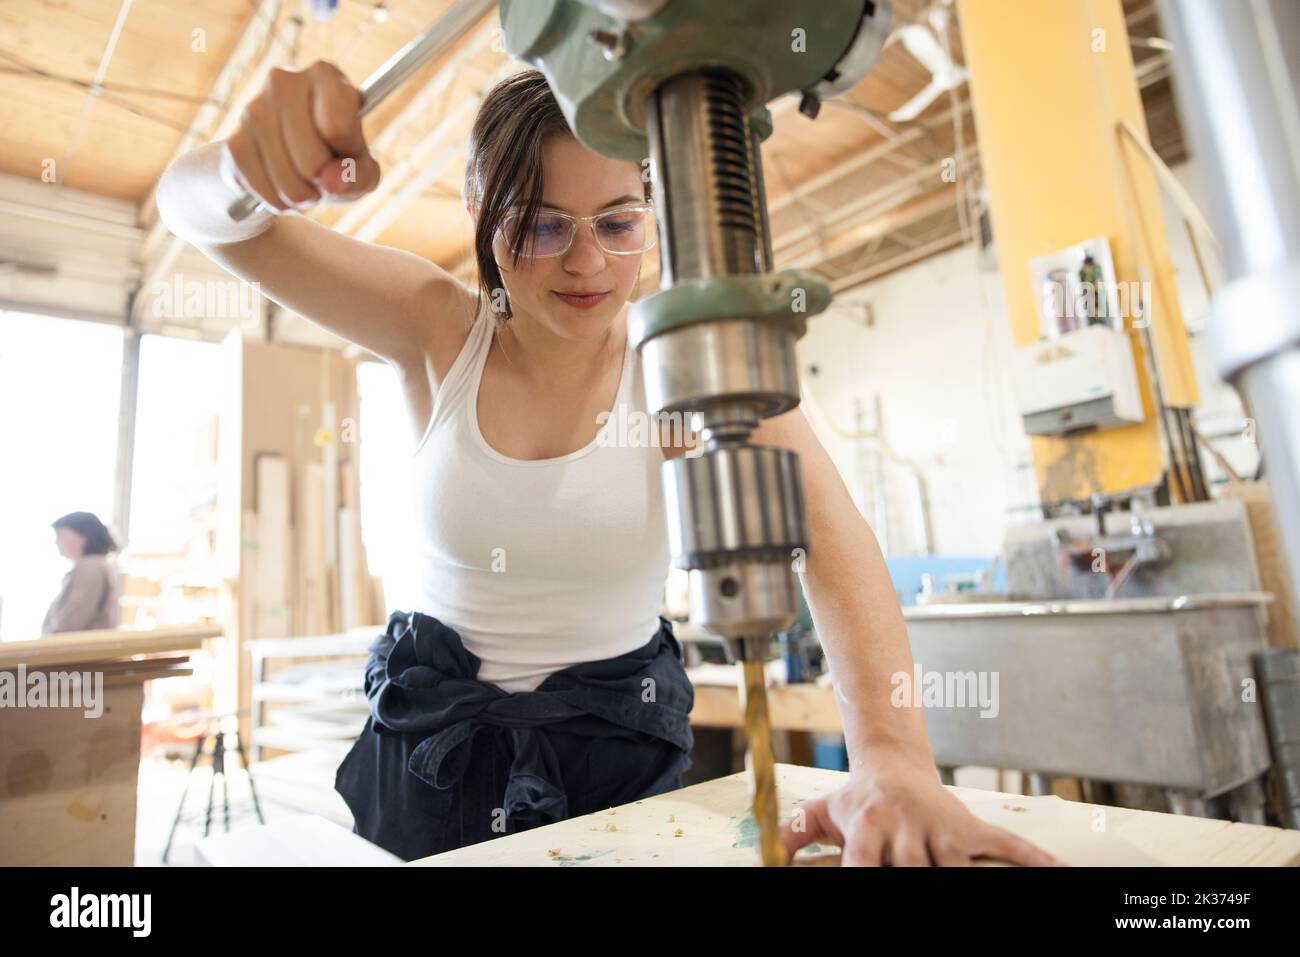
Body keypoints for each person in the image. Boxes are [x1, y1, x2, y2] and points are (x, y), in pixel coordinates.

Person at [154, 63, 1062, 867]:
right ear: (480, 212)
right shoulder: (438, 329)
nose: (587, 262)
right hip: (428, 751)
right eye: (542, 227)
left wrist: (893, 759)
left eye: (617, 223)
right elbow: (198, 216)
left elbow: (832, 538)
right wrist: (242, 165)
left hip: (614, 754)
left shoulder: (680, 361)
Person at [42, 511, 122, 634]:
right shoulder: (97, 564)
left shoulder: (90, 567)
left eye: (60, 535)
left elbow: (72, 621)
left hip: (81, 650)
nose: (56, 542)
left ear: (82, 537)